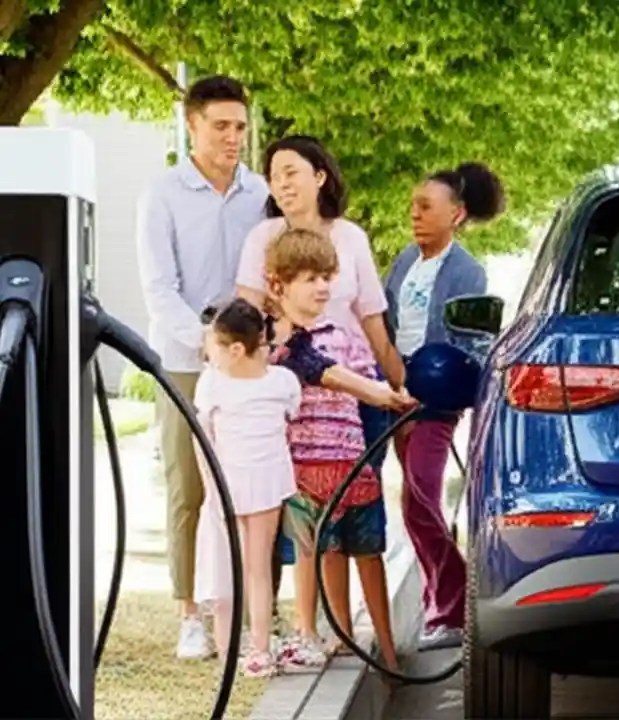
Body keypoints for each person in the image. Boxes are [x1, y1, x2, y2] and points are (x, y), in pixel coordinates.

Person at [235, 135, 405, 641]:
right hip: (298, 397)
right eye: (274, 175)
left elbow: (372, 321)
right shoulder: (262, 237)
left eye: (291, 171)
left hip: (360, 392)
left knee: (358, 515)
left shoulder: (349, 236)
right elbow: (246, 316)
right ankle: (333, 632)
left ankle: (364, 635)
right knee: (314, 520)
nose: (282, 183)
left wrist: (399, 387)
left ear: (320, 177)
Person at [136, 74, 269, 660]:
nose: (233, 137)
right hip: (186, 361)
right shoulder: (161, 195)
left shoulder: (261, 193)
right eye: (221, 126)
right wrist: (207, 342)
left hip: (252, 365)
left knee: (251, 487)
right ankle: (189, 612)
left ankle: (249, 610)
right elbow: (158, 288)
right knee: (188, 488)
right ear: (191, 125)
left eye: (240, 126)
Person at [265, 227, 405, 672]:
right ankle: (310, 633)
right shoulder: (276, 345)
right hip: (302, 468)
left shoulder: (342, 336)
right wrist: (384, 394)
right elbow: (319, 372)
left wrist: (389, 395)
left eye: (327, 276)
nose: (323, 286)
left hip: (351, 463)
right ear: (278, 285)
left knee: (367, 551)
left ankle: (387, 648)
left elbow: (362, 383)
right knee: (310, 550)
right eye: (310, 278)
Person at [383, 162, 504, 649]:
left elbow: (471, 339)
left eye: (425, 206)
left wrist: (436, 385)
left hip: (435, 394)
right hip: (395, 389)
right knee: (411, 506)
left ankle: (454, 608)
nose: (414, 214)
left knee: (423, 498)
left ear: (456, 214)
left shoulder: (467, 269)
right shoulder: (403, 260)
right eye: (413, 205)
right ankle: (444, 601)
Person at [192, 299, 301, 677]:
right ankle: (232, 650)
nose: (209, 355)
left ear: (236, 349)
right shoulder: (216, 384)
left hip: (261, 481)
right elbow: (202, 436)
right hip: (233, 482)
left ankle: (256, 647)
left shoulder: (280, 382)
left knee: (253, 566)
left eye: (214, 348)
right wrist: (210, 484)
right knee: (236, 568)